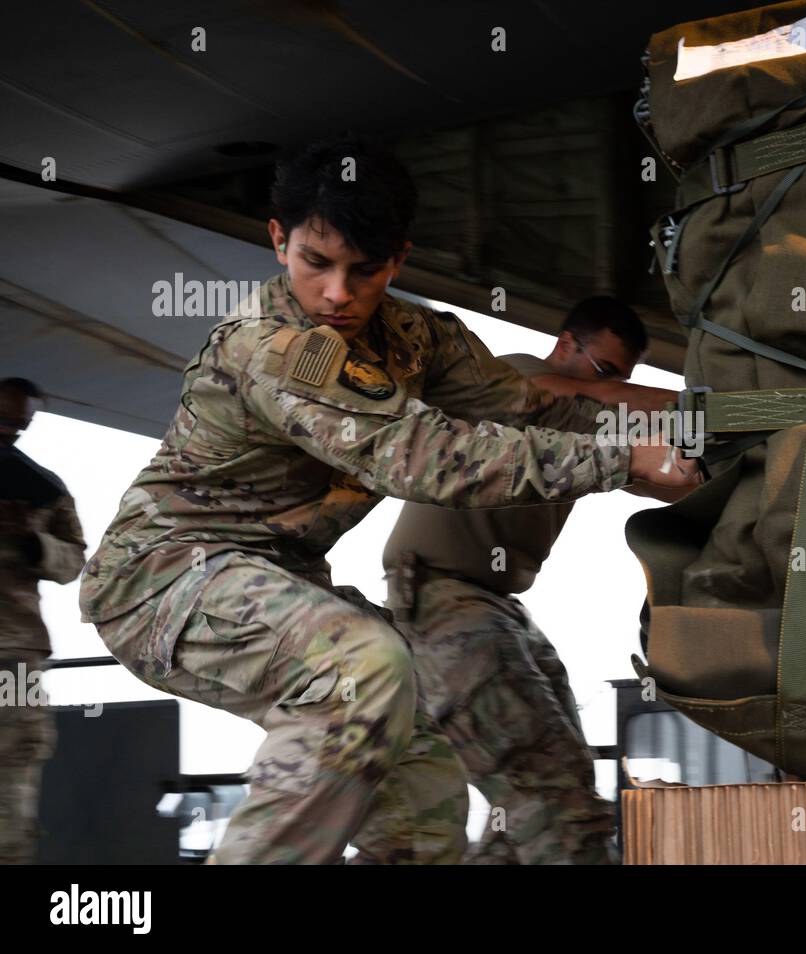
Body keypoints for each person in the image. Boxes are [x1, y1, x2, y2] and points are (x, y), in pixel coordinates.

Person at [77, 135, 700, 864]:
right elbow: (423, 456)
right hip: (163, 576)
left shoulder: (416, 340)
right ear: (278, 241)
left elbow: (528, 410)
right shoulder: (272, 349)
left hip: (276, 575)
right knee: (366, 669)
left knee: (416, 746)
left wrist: (679, 442)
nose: (338, 294)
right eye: (317, 263)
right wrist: (623, 456)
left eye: (364, 270)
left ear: (397, 260)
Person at [380, 297, 683, 864]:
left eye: (623, 376)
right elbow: (601, 403)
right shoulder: (515, 380)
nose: (615, 385)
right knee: (554, 798)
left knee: (534, 808)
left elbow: (654, 471)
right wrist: (703, 407)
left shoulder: (578, 426)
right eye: (606, 368)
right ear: (566, 344)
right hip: (441, 598)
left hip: (489, 605)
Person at [0, 378, 87, 863]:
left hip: (13, 659)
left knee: (9, 794)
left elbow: (74, 561)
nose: (9, 431)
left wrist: (32, 542)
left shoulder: (44, 489)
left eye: (19, 424)